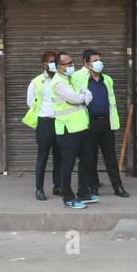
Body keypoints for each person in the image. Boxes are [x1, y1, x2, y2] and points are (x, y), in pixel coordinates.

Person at [76, 49, 129, 199]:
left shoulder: (107, 79)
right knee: (90, 156)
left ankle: (118, 186)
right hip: (89, 123)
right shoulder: (79, 78)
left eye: (99, 59)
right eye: (94, 60)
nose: (98, 63)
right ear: (86, 63)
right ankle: (93, 187)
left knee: (110, 156)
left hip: (106, 122)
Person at [51, 51, 93, 209]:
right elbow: (77, 98)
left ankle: (83, 192)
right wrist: (82, 98)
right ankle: (68, 197)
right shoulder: (58, 83)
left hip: (82, 127)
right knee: (67, 164)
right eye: (67, 64)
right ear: (58, 67)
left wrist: (82, 98)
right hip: (68, 130)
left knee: (87, 160)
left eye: (72, 62)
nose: (71, 65)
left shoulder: (72, 78)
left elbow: (88, 94)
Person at [22, 49, 63, 201]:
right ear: (44, 64)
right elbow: (30, 102)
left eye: (56, 62)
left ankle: (57, 186)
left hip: (60, 121)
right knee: (43, 156)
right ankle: (39, 188)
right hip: (45, 122)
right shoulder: (36, 82)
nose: (54, 64)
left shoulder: (62, 79)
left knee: (59, 156)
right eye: (52, 62)